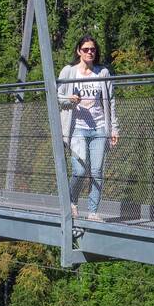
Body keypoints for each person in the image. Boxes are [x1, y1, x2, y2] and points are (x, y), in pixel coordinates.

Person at [58, 35, 119, 221]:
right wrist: (69, 100)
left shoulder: (102, 73)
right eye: (86, 49)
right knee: (80, 171)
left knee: (97, 171)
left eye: (92, 49)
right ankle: (72, 201)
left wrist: (114, 128)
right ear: (79, 51)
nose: (90, 52)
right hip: (76, 128)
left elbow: (110, 101)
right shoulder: (69, 72)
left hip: (100, 127)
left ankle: (93, 212)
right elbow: (56, 97)